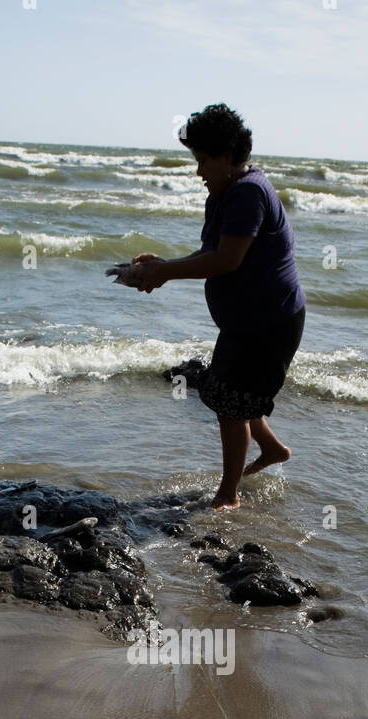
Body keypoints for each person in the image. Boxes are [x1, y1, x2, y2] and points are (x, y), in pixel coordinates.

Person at [129, 103, 306, 510]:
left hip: (269, 323)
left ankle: (228, 496)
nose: (199, 171)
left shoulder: (247, 194)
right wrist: (162, 266)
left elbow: (228, 262)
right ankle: (274, 449)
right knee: (234, 392)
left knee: (232, 405)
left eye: (204, 161)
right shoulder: (225, 192)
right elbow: (213, 251)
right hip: (248, 321)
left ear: (227, 156)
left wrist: (167, 273)